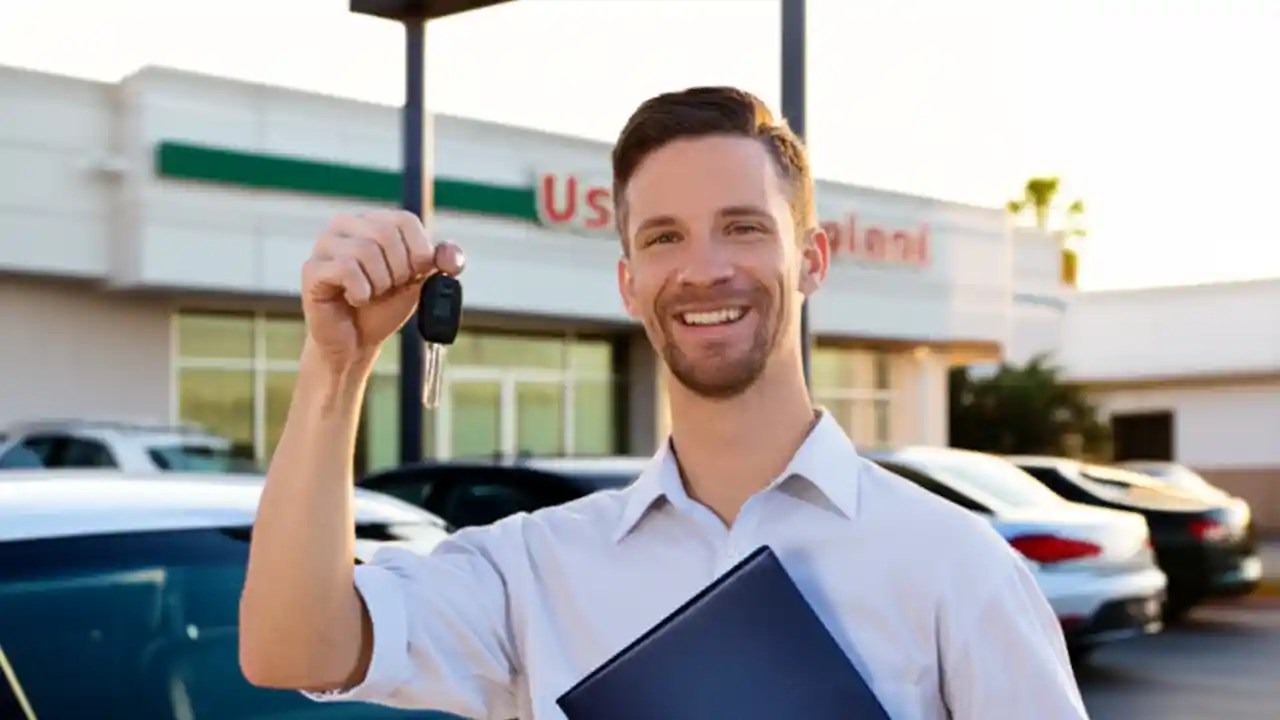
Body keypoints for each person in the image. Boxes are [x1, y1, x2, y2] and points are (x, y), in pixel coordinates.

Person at [239, 86, 1089, 720]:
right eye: (664, 237)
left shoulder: (953, 565)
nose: (705, 268)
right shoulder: (536, 570)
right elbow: (292, 647)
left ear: (814, 259)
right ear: (628, 282)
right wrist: (335, 370)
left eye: (744, 226)